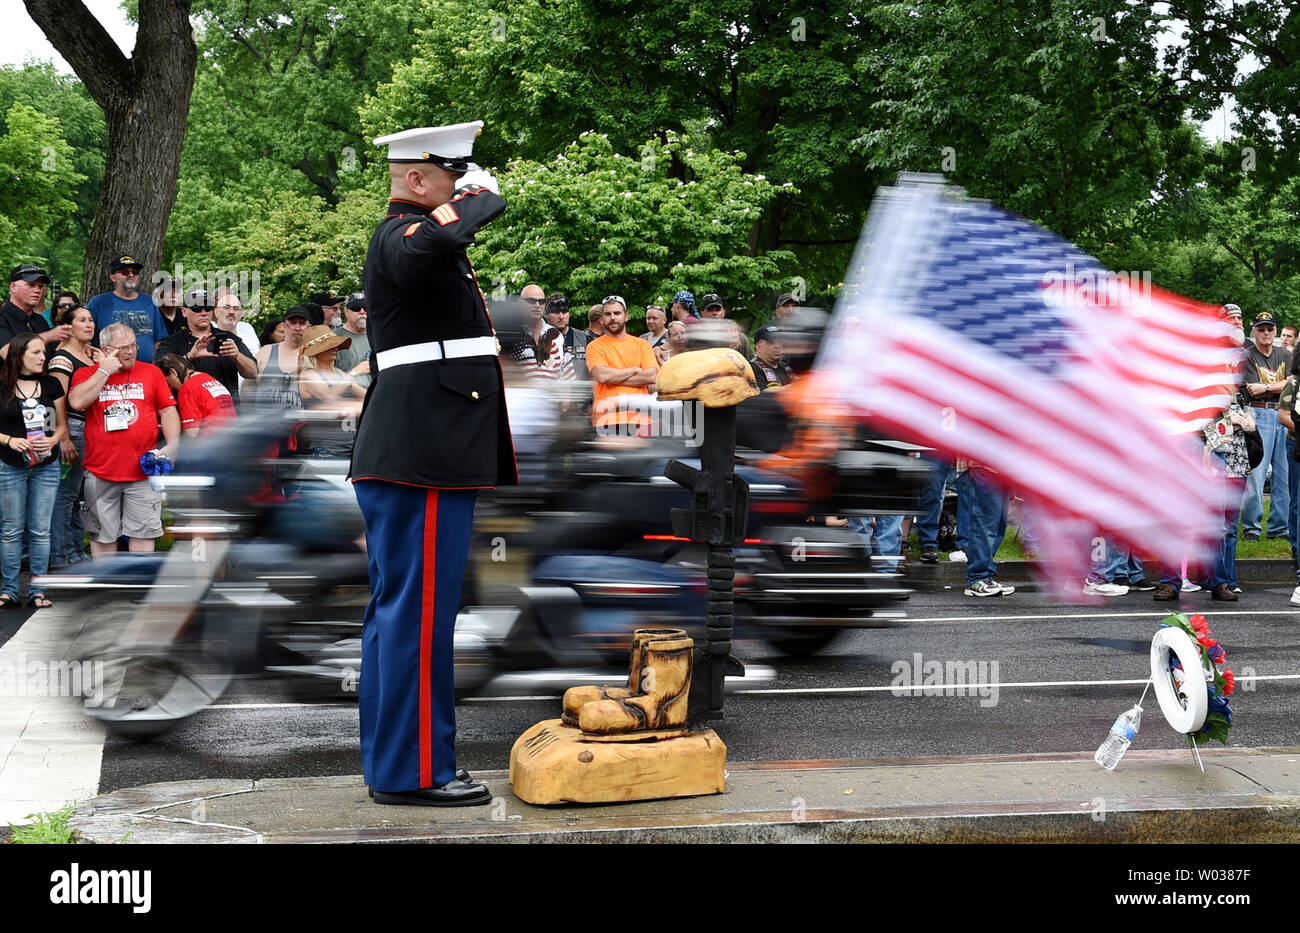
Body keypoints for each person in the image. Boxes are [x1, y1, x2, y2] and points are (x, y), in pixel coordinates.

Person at [351, 120, 516, 807]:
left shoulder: (418, 240)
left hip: (426, 449)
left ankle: (397, 763)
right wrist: (482, 199)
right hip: (421, 451)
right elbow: (440, 236)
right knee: (418, 615)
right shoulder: (400, 236)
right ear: (417, 180)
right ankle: (417, 771)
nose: (467, 187)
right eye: (454, 175)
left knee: (404, 612)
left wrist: (466, 199)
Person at [67, 322, 179, 558]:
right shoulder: (86, 373)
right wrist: (104, 371)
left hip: (143, 470)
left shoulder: (151, 372)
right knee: (103, 534)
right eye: (123, 348)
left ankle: (136, 589)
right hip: (101, 471)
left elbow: (168, 411)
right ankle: (108, 589)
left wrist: (173, 444)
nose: (130, 352)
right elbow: (77, 402)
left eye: (133, 346)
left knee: (143, 532)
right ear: (106, 349)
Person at [0, 334, 68, 608]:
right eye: (37, 352)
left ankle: (38, 591)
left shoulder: (51, 384)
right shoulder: (3, 385)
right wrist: (9, 439)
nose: (43, 357)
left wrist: (54, 440)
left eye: (44, 352)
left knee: (41, 530)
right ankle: (9, 590)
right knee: (10, 529)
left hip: (46, 464)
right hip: (9, 462)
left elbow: (61, 424)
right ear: (20, 354)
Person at [47, 304, 98, 569]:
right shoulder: (62, 359)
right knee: (65, 495)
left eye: (91, 320)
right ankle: (59, 555)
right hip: (72, 431)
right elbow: (56, 400)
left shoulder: (92, 356)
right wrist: (63, 436)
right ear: (69, 327)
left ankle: (76, 551)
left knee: (79, 496)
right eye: (82, 320)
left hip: (92, 430)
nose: (89, 324)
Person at [1239, 310, 1291, 541]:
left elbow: (1292, 383)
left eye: (1270, 328)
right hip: (1258, 414)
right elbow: (1252, 388)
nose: (1266, 332)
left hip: (1283, 414)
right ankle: (1251, 527)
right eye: (1261, 329)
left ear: (1276, 331)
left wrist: (1268, 387)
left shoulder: (1285, 355)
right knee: (1257, 474)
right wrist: (1279, 385)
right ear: (1254, 331)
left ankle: (1279, 527)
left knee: (1284, 474)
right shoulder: (1248, 356)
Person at [157, 289, 258, 406]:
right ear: (184, 311)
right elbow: (159, 373)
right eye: (197, 308)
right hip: (191, 413)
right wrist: (189, 357)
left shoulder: (229, 339)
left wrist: (237, 356)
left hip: (228, 413)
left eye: (208, 307)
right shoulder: (172, 342)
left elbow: (254, 373)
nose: (204, 312)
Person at [585, 295, 658, 432]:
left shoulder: (642, 344)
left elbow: (651, 377)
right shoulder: (594, 346)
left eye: (617, 313)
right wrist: (633, 370)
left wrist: (613, 377)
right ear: (602, 319)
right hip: (606, 419)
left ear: (626, 316)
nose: (612, 317)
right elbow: (602, 376)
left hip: (640, 418)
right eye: (608, 314)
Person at [297, 325, 366, 457]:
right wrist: (354, 372)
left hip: (352, 448)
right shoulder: (308, 375)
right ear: (315, 351)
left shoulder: (339, 373)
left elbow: (367, 397)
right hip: (327, 451)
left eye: (336, 345)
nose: (336, 348)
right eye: (329, 346)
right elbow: (328, 396)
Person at [86, 255, 169, 364]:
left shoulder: (150, 301)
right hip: (111, 370)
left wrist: (154, 364)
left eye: (134, 272)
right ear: (113, 277)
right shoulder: (99, 302)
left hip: (145, 371)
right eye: (125, 272)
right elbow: (85, 336)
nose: (131, 275)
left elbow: (158, 339)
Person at [156, 354, 236, 437]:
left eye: (168, 383)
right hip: (231, 437)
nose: (170, 389)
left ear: (173, 372)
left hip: (211, 442)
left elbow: (192, 432)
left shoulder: (187, 388)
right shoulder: (208, 378)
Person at [1, 265, 71, 355]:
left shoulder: (40, 320)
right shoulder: (2, 317)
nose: (38, 290)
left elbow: (50, 356)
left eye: (40, 286)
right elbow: (8, 353)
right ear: (13, 287)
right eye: (31, 285)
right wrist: (48, 336)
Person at [252, 306, 311, 407]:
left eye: (301, 323)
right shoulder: (266, 351)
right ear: (284, 326)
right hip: (264, 420)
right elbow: (248, 384)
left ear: (308, 327)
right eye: (293, 323)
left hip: (301, 421)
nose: (297, 327)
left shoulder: (315, 356)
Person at [544, 294, 588, 378]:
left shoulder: (585, 339)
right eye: (556, 312)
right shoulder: (538, 339)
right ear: (546, 315)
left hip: (579, 389)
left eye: (564, 312)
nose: (561, 316)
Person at [334, 293, 372, 389]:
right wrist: (355, 372)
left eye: (366, 308)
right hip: (346, 398)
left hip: (376, 397)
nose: (362, 312)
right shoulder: (333, 339)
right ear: (346, 312)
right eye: (356, 308)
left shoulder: (379, 337)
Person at [749, 325, 794, 390]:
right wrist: (795, 387)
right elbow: (761, 394)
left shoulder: (786, 366)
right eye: (771, 342)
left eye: (779, 342)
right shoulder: (751, 369)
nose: (777, 346)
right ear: (758, 346)